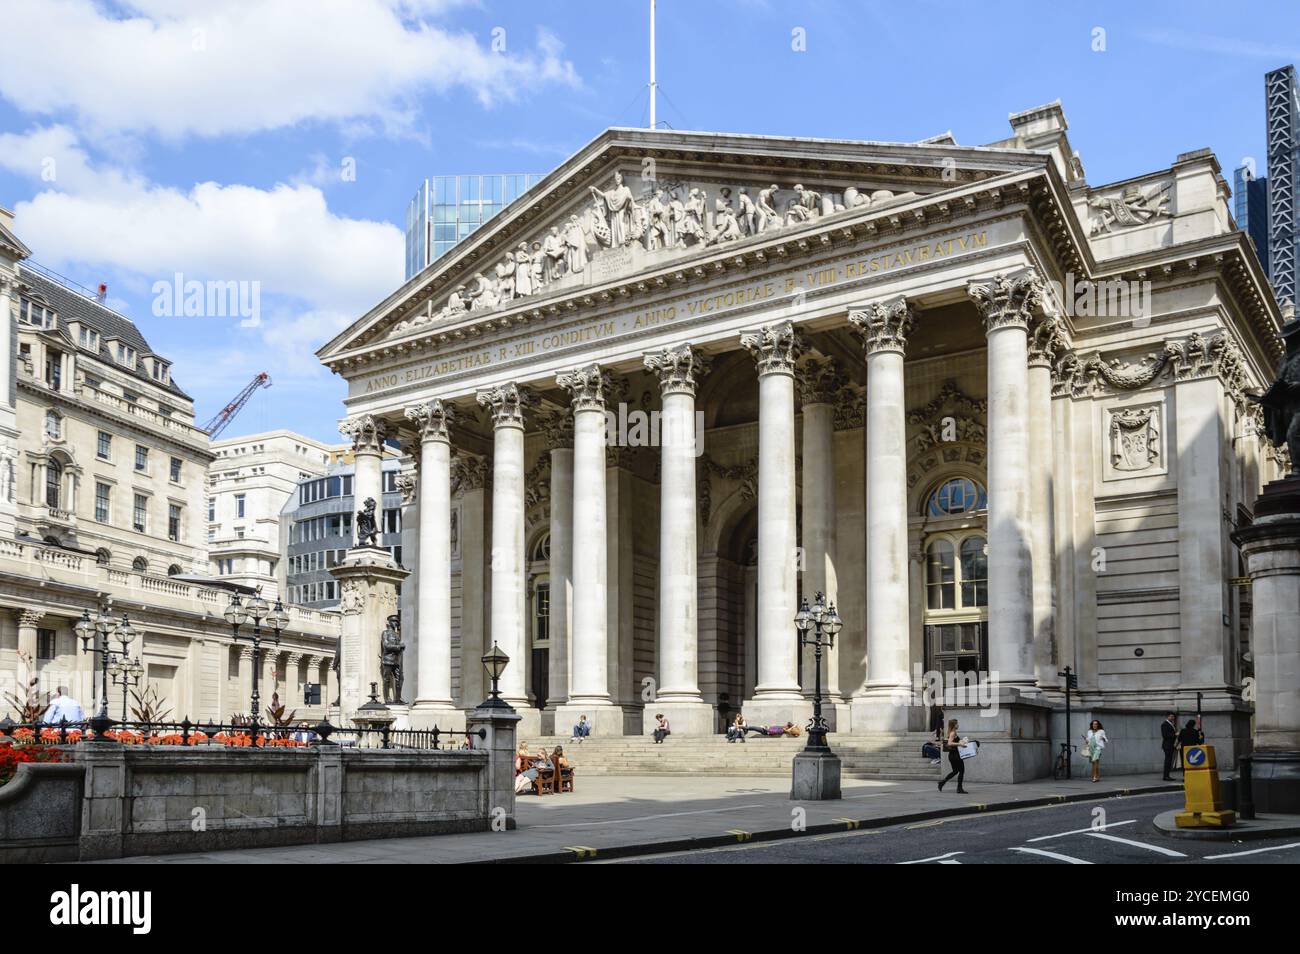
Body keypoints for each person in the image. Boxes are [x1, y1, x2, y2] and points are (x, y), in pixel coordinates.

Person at [938, 719, 968, 794]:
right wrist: (960, 744)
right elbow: (950, 743)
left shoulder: (953, 732)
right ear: (954, 725)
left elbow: (954, 742)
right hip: (955, 755)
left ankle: (942, 782)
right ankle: (959, 788)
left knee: (955, 771)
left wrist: (961, 743)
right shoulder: (952, 733)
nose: (958, 725)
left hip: (953, 755)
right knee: (961, 771)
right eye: (957, 724)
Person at [1160, 711, 1178, 780]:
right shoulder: (1165, 724)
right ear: (1168, 717)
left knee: (1169, 761)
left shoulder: (1171, 724)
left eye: (1173, 716)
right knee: (1168, 761)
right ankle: (1166, 776)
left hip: (1171, 745)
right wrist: (1175, 735)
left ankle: (1167, 775)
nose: (1173, 718)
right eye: (1171, 716)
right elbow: (1165, 735)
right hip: (1167, 745)